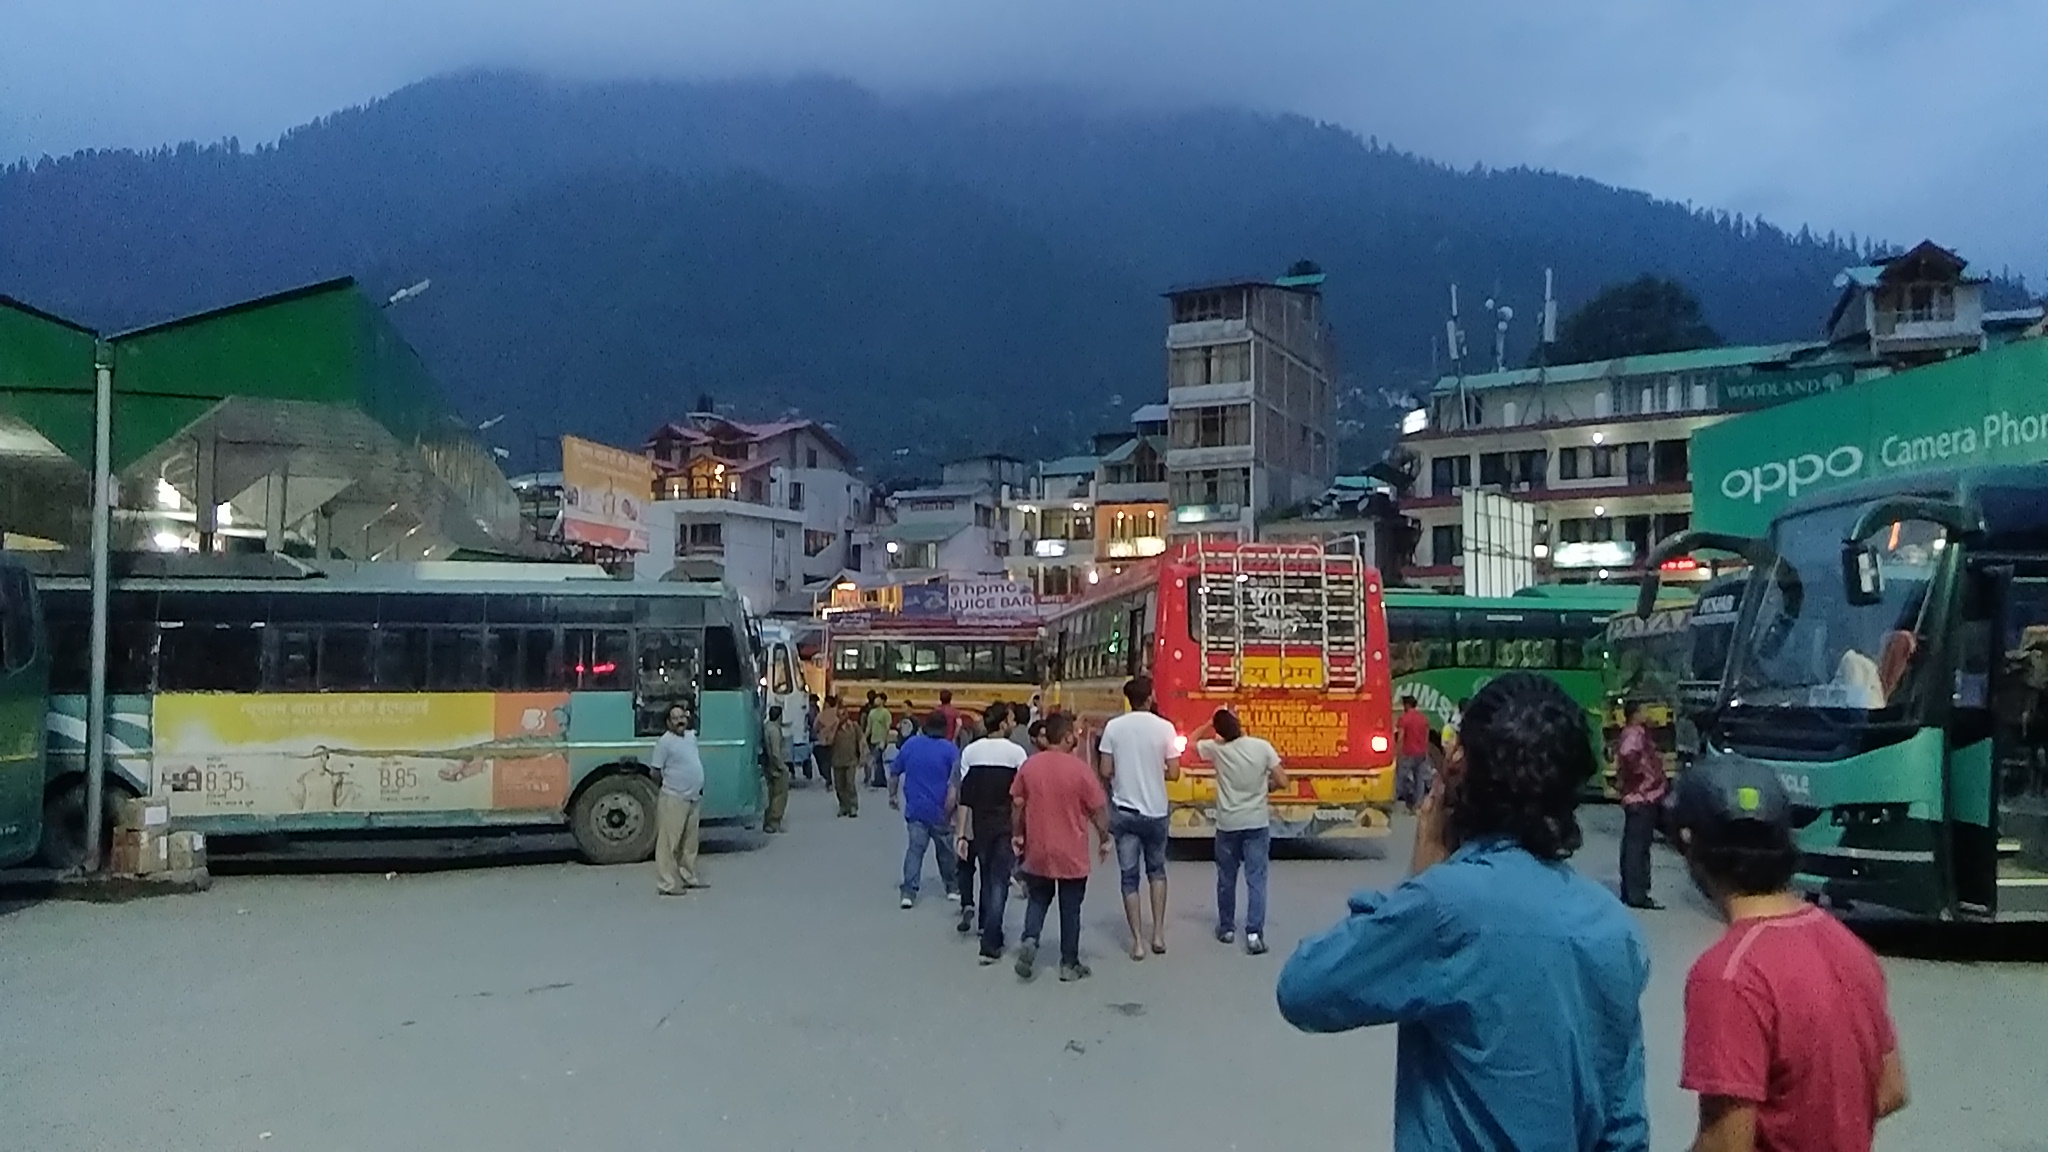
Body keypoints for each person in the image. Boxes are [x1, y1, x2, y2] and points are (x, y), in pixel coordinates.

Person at [1277, 672, 1650, 1151]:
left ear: (1459, 772)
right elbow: (1624, 1122)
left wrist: (1417, 882)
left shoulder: (1445, 906)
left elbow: (1303, 988)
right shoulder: (1615, 927)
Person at [1673, 757, 1907, 1152]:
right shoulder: (1846, 944)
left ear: (1687, 841)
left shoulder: (1729, 975)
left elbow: (1726, 1145)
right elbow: (1890, 1088)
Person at [1011, 711, 1111, 982]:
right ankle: (1069, 963)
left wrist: (1018, 834)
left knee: (1038, 899)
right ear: (1067, 737)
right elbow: (1098, 809)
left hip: (1038, 847)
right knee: (1071, 908)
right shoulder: (1080, 769)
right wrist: (1104, 838)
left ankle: (1030, 938)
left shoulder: (1030, 766)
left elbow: (1017, 804)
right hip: (1071, 851)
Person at [1095, 674, 1181, 960]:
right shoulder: (1165, 728)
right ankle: (1158, 934)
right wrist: (1154, 770)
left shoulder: (1114, 727)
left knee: (1129, 878)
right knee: (1157, 871)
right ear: (1150, 697)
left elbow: (1105, 770)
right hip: (1156, 811)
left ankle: (1137, 942)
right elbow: (1174, 772)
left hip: (1125, 811)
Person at [1191, 708, 1288, 955]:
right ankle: (1254, 934)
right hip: (1256, 823)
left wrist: (1208, 722)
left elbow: (1190, 743)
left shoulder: (1217, 749)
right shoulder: (1262, 747)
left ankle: (1226, 928)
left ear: (1220, 732)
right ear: (1239, 724)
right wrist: (1267, 787)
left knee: (1226, 878)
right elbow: (1283, 781)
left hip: (1228, 824)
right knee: (1256, 880)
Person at [952, 702, 1030, 957]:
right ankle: (991, 939)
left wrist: (961, 834)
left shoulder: (971, 752)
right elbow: (1022, 796)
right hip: (1006, 823)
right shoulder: (1016, 753)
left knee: (987, 876)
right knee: (999, 881)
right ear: (1003, 723)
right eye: (1010, 720)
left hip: (981, 824)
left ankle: (986, 925)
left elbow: (965, 797)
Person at [890, 712, 960, 908]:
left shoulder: (911, 745)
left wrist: (892, 796)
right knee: (946, 852)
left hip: (916, 809)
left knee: (915, 851)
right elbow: (955, 784)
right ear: (945, 728)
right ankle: (952, 887)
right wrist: (952, 810)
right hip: (941, 810)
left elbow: (894, 772)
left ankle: (909, 892)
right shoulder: (950, 750)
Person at [650, 703, 709, 895]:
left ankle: (687, 877)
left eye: (682, 717)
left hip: (693, 797)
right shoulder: (664, 743)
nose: (680, 721)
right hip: (674, 798)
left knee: (689, 843)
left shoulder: (691, 737)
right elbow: (655, 772)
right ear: (668, 722)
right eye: (675, 718)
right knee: (669, 844)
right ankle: (666, 884)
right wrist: (671, 786)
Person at [1614, 699, 1667, 910]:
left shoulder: (1632, 732)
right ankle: (1637, 893)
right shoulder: (1635, 734)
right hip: (1642, 796)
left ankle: (1630, 891)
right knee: (1638, 847)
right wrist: (1640, 773)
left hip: (1637, 796)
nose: (1646, 714)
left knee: (1634, 845)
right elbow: (1628, 753)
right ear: (1635, 714)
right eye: (1643, 711)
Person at [1395, 695, 1433, 815]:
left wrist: (1397, 754)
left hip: (1408, 753)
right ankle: (1417, 805)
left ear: (1406, 705)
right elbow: (1426, 738)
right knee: (1419, 780)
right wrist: (1426, 752)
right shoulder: (1424, 719)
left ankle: (1399, 802)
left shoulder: (1404, 719)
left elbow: (1401, 738)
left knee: (1400, 779)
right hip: (1421, 754)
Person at [827, 695, 862, 817]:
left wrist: (863, 756)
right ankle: (843, 806)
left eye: (844, 714)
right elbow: (829, 741)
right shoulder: (833, 728)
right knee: (839, 786)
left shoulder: (854, 727)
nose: (843, 716)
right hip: (837, 760)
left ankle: (853, 806)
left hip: (851, 760)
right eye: (840, 715)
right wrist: (835, 727)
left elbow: (861, 741)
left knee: (850, 784)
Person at [760, 703, 791, 834]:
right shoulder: (775, 731)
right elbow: (775, 752)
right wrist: (782, 767)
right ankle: (775, 822)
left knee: (771, 794)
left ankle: (767, 822)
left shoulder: (767, 727)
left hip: (768, 766)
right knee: (780, 795)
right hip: (776, 767)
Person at [863, 692, 894, 789]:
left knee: (875, 759)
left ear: (883, 701)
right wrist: (864, 738)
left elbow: (887, 728)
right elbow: (869, 727)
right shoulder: (872, 713)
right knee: (878, 761)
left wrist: (884, 740)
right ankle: (881, 780)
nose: (876, 700)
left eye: (878, 698)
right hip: (873, 739)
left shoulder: (886, 713)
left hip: (881, 740)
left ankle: (878, 780)